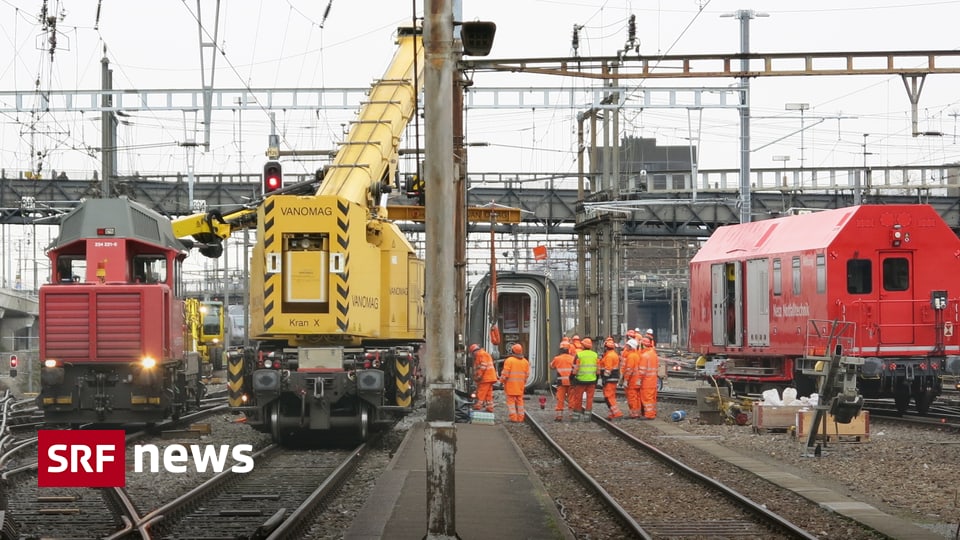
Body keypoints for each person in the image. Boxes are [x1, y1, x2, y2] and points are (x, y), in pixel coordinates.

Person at [568, 337, 598, 421]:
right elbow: (598, 369)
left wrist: (571, 377)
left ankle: (576, 416)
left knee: (578, 398)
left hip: (580, 380)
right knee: (590, 398)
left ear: (583, 346)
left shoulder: (579, 355)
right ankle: (587, 417)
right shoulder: (595, 355)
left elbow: (575, 368)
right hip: (592, 380)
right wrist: (597, 378)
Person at [500, 343, 530, 422]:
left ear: (512, 351)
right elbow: (527, 375)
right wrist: (523, 383)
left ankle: (513, 418)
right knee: (520, 402)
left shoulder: (509, 360)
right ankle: (521, 418)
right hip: (520, 386)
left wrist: (501, 381)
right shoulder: (525, 362)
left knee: (511, 403)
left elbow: (505, 373)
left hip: (510, 386)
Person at [599, 337, 623, 419]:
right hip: (613, 378)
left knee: (608, 397)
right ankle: (612, 413)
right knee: (611, 396)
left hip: (609, 378)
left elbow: (608, 369)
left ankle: (617, 413)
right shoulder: (614, 354)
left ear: (606, 347)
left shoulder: (609, 356)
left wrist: (604, 379)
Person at [469, 344, 497, 413]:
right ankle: (489, 407)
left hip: (485, 378)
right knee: (488, 393)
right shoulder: (483, 354)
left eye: (472, 353)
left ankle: (478, 406)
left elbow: (483, 366)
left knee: (481, 392)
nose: (473, 355)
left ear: (474, 351)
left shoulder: (480, 354)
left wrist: (479, 376)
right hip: (490, 377)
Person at [549, 345, 575, 421]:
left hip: (561, 382)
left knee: (560, 399)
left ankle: (559, 416)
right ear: (568, 350)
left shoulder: (557, 358)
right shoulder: (573, 358)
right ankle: (572, 416)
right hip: (571, 382)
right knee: (571, 399)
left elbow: (551, 366)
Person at [639, 336, 659, 419]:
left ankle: (649, 415)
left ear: (643, 345)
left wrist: (638, 380)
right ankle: (652, 412)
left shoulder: (645, 356)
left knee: (647, 399)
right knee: (652, 399)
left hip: (646, 382)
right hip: (653, 380)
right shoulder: (653, 354)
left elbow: (642, 371)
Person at [621, 339, 642, 418]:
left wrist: (626, 380)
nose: (626, 347)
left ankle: (633, 413)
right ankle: (637, 412)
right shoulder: (637, 355)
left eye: (628, 346)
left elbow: (629, 370)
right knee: (637, 397)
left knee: (631, 397)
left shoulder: (631, 356)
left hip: (632, 380)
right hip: (637, 380)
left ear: (631, 346)